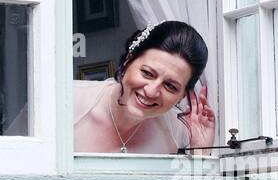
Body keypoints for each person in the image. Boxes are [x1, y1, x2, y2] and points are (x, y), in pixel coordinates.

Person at [74, 21, 214, 154]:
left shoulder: (179, 133)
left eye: (170, 86)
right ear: (128, 61)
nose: (151, 91)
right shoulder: (68, 102)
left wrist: (200, 152)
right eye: (147, 73)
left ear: (183, 95)